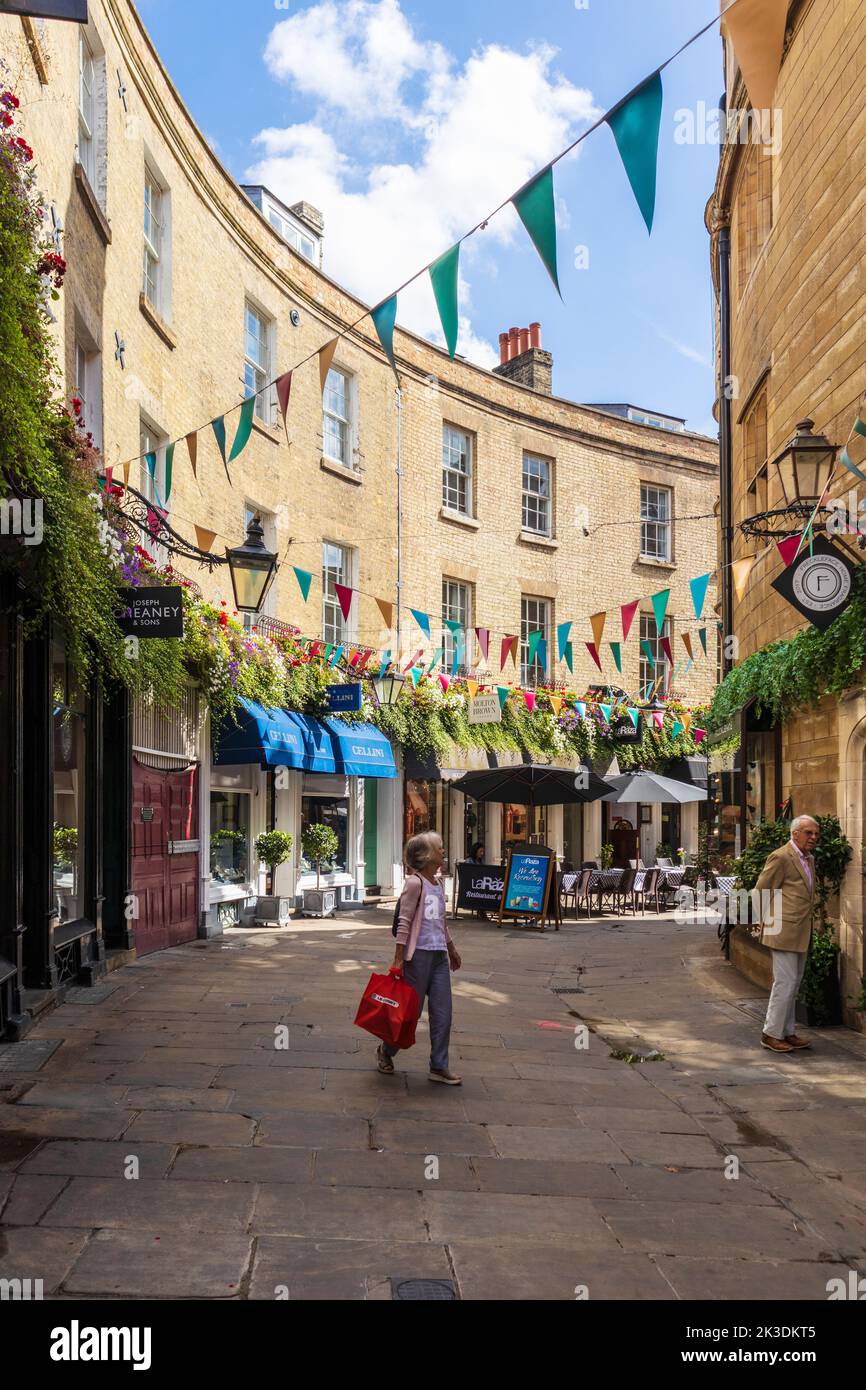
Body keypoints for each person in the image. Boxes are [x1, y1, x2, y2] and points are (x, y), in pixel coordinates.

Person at [376, 831, 463, 1084]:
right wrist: (399, 958)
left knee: (443, 1013)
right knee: (407, 1016)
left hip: (439, 957)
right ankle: (386, 1050)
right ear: (426, 856)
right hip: (417, 958)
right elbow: (404, 922)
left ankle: (439, 1066)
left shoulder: (438, 883)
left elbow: (441, 922)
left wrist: (452, 950)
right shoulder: (415, 883)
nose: (443, 851)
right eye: (440, 848)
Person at [754, 815, 819, 1053]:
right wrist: (762, 921)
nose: (813, 837)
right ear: (795, 833)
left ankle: (786, 1032)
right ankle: (770, 1034)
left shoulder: (808, 858)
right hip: (781, 930)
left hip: (800, 930)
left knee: (794, 983)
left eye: (815, 834)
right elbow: (761, 889)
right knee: (785, 983)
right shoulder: (781, 856)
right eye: (808, 833)